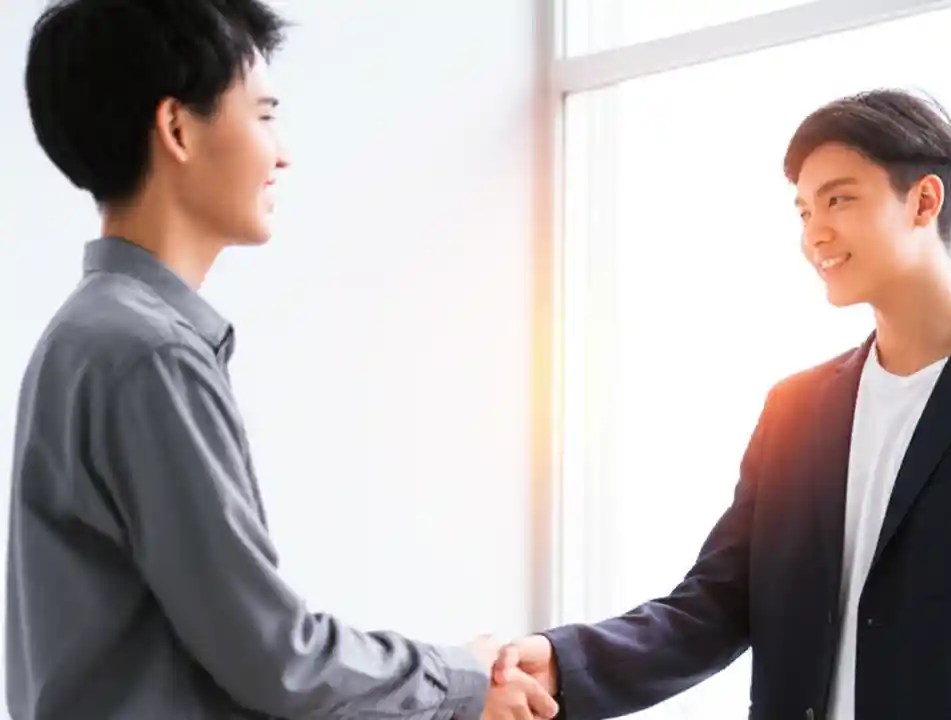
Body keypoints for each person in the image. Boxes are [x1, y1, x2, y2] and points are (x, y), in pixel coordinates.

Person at [494, 89, 951, 719]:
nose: (814, 233)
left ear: (924, 200)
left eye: (840, 199)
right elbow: (716, 602)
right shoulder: (795, 408)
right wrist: (561, 661)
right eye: (803, 211)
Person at [8, 2, 556, 718]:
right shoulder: (149, 354)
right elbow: (277, 658)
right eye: (264, 115)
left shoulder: (89, 336)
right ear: (177, 128)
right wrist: (461, 680)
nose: (284, 151)